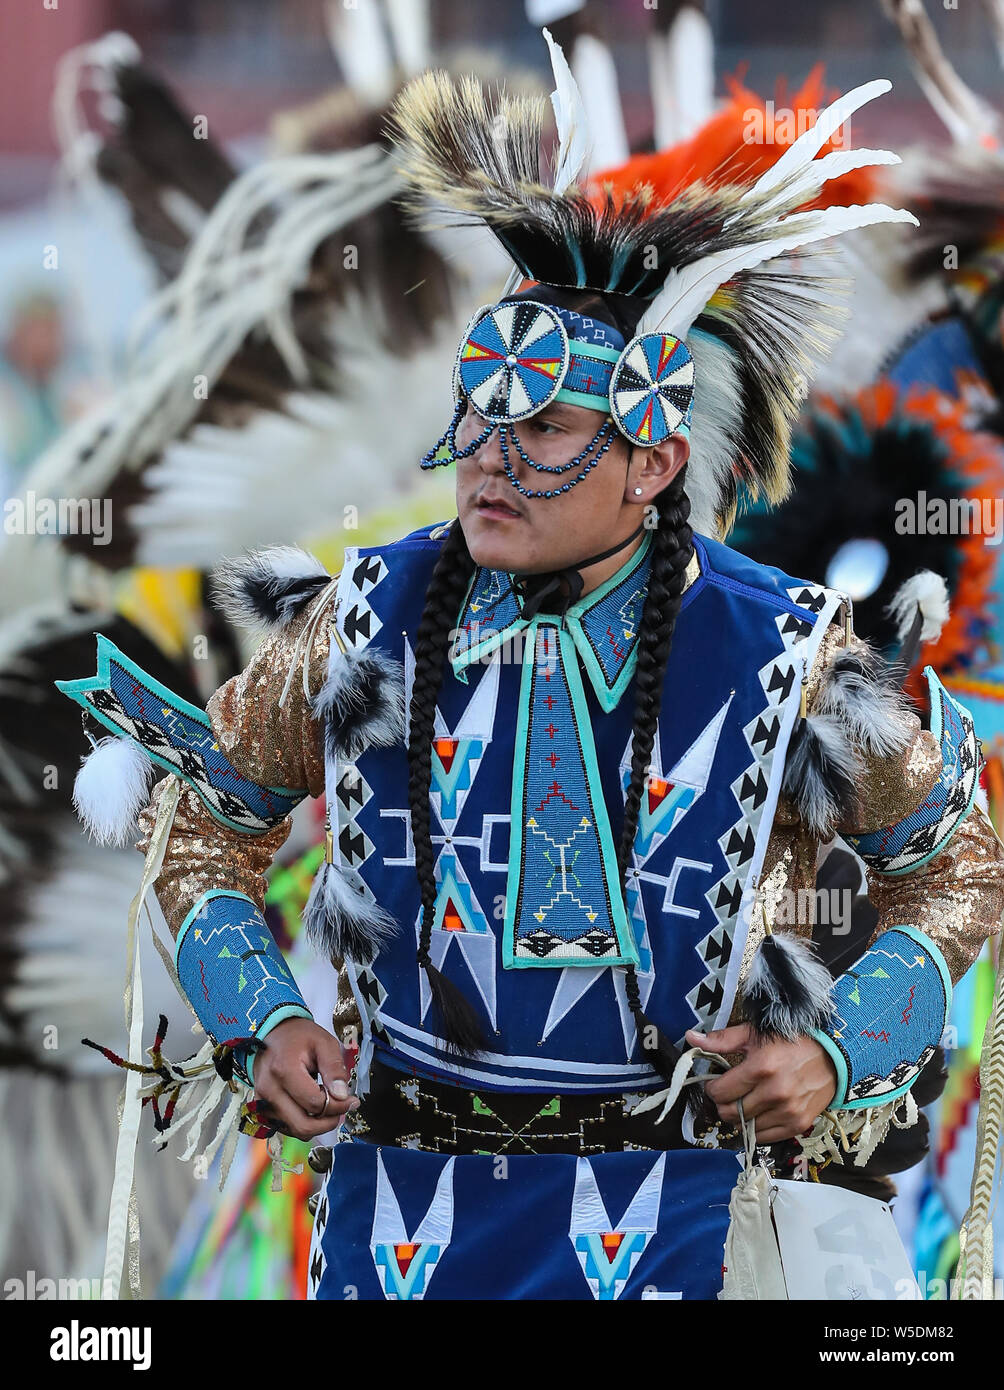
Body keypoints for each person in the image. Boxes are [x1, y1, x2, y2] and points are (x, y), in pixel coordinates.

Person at [59, 39, 1004, 1300]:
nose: (493, 455)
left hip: (676, 1220)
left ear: (653, 461)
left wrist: (834, 1051)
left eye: (547, 423)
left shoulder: (784, 649)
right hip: (394, 1222)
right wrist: (261, 1018)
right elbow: (200, 817)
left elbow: (953, 863)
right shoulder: (361, 620)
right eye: (480, 412)